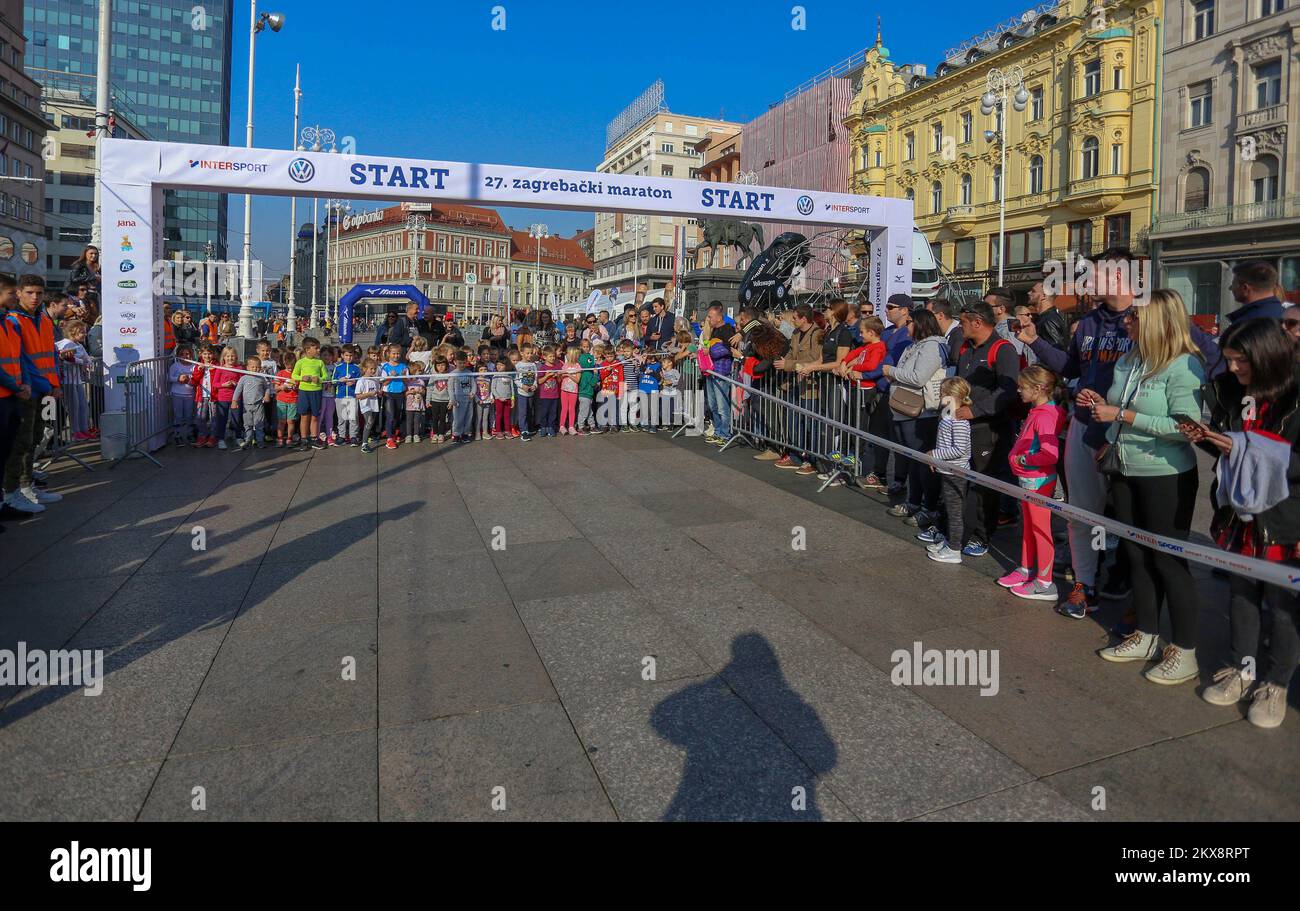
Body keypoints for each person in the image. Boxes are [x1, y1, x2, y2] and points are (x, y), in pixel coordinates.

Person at [1187, 318, 1298, 727]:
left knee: (1284, 608)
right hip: (1239, 511)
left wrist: (1248, 448)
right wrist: (1211, 440)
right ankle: (1242, 669)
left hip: (1287, 515)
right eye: (1230, 360)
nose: (1233, 369)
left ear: (1267, 355)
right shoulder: (1231, 392)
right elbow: (1233, 454)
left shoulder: (1295, 395)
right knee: (1241, 594)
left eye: (1241, 361)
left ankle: (1277, 685)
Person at [1091, 289, 1206, 684]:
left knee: (1168, 560)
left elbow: (1186, 429)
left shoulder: (1184, 366)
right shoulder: (1129, 359)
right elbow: (1118, 412)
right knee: (1137, 555)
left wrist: (1123, 415)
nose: (1126, 321)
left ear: (1156, 322)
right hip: (1124, 468)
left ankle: (1186, 650)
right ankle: (1146, 633)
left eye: (1134, 317)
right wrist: (1110, 430)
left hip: (1166, 474)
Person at [1020, 246, 1137, 614]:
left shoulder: (1145, 318)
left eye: (1096, 274)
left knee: (1126, 520)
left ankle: (1127, 589)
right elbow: (1070, 366)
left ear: (1118, 275)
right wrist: (1034, 342)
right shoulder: (1087, 322)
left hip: (1127, 436)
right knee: (1082, 513)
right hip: (1084, 430)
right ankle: (1083, 585)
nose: (1087, 281)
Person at [955, 300, 1022, 557]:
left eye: (963, 322)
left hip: (990, 428)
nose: (960, 327)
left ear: (977, 322)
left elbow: (1007, 391)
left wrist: (976, 410)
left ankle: (982, 535)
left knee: (985, 484)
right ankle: (957, 527)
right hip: (963, 425)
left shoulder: (1002, 349)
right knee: (962, 479)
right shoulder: (965, 348)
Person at [999, 365, 1067, 601]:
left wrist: (1024, 459)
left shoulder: (1046, 415)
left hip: (1038, 480)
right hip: (1030, 479)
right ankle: (1027, 569)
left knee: (1040, 530)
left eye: (1023, 387)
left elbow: (1050, 454)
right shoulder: (1040, 411)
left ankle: (1045, 581)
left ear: (1038, 389)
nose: (1019, 390)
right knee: (1028, 527)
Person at [882, 308, 947, 524]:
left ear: (920, 324)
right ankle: (913, 501)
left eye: (910, 322)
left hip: (921, 412)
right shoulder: (913, 346)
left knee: (922, 461)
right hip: (903, 409)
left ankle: (927, 506)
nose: (907, 326)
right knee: (911, 459)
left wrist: (891, 372)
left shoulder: (932, 346)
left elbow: (918, 377)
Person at [3, 276, 61, 514]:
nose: (35, 297)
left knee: (38, 436)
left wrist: (55, 384)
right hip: (26, 391)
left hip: (45, 389)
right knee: (22, 441)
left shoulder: (45, 320)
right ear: (18, 293)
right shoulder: (14, 320)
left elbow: (51, 355)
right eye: (29, 292)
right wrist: (40, 384)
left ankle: (29, 485)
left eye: (39, 293)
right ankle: (19, 488)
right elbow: (23, 359)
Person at [923, 376, 974, 565]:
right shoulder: (947, 415)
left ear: (952, 396)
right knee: (946, 508)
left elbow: (960, 449)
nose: (939, 395)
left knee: (954, 512)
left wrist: (934, 454)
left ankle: (954, 549)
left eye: (942, 392)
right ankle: (949, 540)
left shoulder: (958, 420)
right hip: (946, 470)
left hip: (956, 473)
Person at [773, 304, 823, 476]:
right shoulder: (795, 333)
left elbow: (813, 358)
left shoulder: (816, 334)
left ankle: (812, 459)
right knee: (794, 422)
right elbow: (790, 354)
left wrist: (787, 364)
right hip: (794, 383)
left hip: (809, 387)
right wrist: (783, 362)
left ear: (804, 318)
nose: (792, 320)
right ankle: (795, 455)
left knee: (810, 424)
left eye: (795, 317)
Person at [701, 304, 737, 444]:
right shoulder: (713, 331)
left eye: (710, 316)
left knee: (722, 405)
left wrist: (710, 350)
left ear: (719, 317)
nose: (708, 319)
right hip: (710, 371)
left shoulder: (728, 330)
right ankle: (717, 431)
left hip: (722, 372)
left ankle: (725, 433)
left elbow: (730, 350)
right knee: (712, 404)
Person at [292, 337, 328, 452]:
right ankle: (304, 439)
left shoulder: (320, 362)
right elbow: (294, 375)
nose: (318, 350)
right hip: (304, 392)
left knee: (314, 416)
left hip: (316, 392)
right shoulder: (300, 362)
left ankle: (313, 438)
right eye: (316, 348)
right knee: (304, 416)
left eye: (318, 348)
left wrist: (319, 379)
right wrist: (302, 378)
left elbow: (326, 377)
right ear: (307, 349)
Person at [1227, 260, 1285, 326]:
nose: (1231, 288)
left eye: (1233, 284)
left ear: (1245, 288)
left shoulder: (1245, 325)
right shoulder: (1288, 317)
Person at [231, 356, 271, 450]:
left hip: (258, 405)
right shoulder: (244, 378)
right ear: (247, 367)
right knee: (247, 424)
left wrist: (267, 395)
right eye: (252, 367)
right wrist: (234, 401)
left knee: (259, 424)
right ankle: (248, 440)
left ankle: (260, 441)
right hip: (246, 406)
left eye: (257, 367)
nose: (255, 369)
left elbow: (267, 388)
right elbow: (238, 390)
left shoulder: (262, 378)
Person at [332, 345, 362, 446]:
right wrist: (339, 380)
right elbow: (333, 381)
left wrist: (354, 382)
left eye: (351, 355)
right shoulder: (338, 367)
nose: (348, 357)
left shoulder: (356, 368)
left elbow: (360, 382)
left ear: (354, 356)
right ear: (342, 355)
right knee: (342, 418)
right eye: (346, 355)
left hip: (352, 396)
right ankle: (342, 436)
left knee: (353, 417)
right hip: (340, 396)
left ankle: (353, 436)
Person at [379, 345, 407, 450]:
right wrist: (391, 376)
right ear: (389, 354)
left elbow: (406, 382)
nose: (396, 355)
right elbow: (384, 383)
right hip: (389, 394)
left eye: (398, 353)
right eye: (393, 353)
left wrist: (403, 376)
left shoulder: (403, 366)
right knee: (390, 416)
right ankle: (389, 438)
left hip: (400, 393)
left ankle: (394, 433)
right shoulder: (385, 367)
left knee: (396, 415)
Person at [1028, 281, 1070, 351]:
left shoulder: (1048, 320)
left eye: (1033, 291)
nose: (1029, 293)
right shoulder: (1045, 318)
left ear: (1044, 295)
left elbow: (1056, 352)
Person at [168, 343, 196, 446]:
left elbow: (196, 379)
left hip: (190, 395)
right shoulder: (175, 366)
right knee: (178, 415)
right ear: (178, 355)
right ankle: (177, 435)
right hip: (177, 394)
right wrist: (178, 379)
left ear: (192, 354)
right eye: (182, 354)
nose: (185, 356)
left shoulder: (194, 366)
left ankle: (189, 434)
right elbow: (170, 378)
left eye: (187, 354)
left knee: (189, 415)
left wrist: (190, 380)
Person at [355, 358, 383, 452]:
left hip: (374, 405)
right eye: (371, 369)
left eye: (374, 369)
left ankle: (366, 439)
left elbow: (377, 392)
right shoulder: (361, 381)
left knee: (370, 423)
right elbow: (358, 396)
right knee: (369, 421)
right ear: (364, 369)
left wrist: (379, 393)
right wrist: (369, 394)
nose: (373, 371)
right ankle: (364, 444)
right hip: (365, 405)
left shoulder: (375, 380)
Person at [927, 298, 964, 369]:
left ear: (941, 315)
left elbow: (955, 364)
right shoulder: (935, 334)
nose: (925, 318)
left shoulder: (959, 335)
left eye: (928, 315)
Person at [514, 345, 538, 441]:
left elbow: (535, 377)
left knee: (529, 410)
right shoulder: (518, 365)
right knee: (523, 412)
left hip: (531, 392)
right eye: (527, 353)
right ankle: (523, 431)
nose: (529, 355)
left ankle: (528, 427)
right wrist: (522, 386)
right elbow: (515, 379)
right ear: (522, 353)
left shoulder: (533, 365)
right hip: (522, 393)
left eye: (531, 353)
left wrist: (535, 385)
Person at [426, 357, 452, 442]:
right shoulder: (433, 376)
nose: (440, 367)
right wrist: (427, 400)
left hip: (445, 400)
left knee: (442, 418)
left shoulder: (449, 376)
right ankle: (435, 434)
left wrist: (451, 400)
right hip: (434, 400)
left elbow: (451, 389)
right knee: (434, 418)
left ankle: (441, 434)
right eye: (438, 365)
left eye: (443, 365)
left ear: (446, 366)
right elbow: (429, 388)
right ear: (435, 366)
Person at [559, 347, 581, 435]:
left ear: (572, 355)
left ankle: (571, 426)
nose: (566, 355)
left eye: (568, 354)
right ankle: (562, 426)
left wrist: (569, 374)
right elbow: (561, 377)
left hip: (573, 390)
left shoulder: (578, 366)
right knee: (564, 408)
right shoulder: (565, 365)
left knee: (572, 409)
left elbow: (577, 380)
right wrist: (560, 374)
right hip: (564, 390)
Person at [403, 361, 427, 444]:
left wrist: (421, 391)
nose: (420, 372)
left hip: (419, 405)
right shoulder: (408, 382)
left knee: (417, 420)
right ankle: (409, 435)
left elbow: (424, 392)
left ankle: (416, 434)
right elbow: (405, 393)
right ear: (413, 371)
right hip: (409, 405)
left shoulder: (421, 381)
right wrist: (411, 392)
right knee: (409, 421)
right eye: (418, 371)